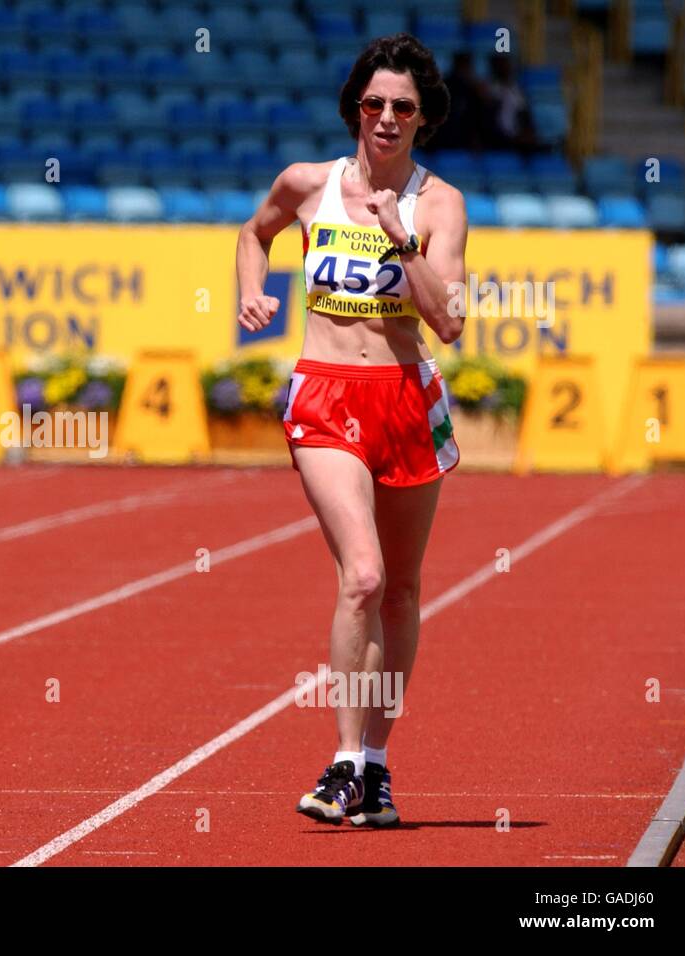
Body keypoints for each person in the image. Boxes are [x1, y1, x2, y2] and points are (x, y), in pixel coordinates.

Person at [235, 33, 467, 827]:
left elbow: (450, 322)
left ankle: (376, 764)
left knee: (401, 591)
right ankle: (340, 762)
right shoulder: (307, 186)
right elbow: (252, 233)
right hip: (327, 396)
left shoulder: (440, 204)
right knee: (362, 574)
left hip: (404, 399)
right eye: (374, 103)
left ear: (422, 117)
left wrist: (399, 236)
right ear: (354, 110)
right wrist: (250, 293)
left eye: (404, 106)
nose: (388, 118)